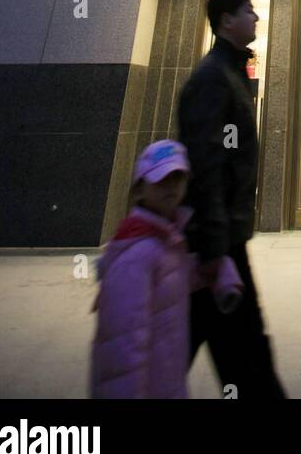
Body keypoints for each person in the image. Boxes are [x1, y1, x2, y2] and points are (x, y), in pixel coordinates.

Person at [179, 0, 286, 398]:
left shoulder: (229, 73)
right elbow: (206, 167)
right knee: (246, 349)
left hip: (220, 239)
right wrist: (214, 247)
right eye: (249, 11)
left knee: (227, 347)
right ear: (226, 20)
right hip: (218, 244)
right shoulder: (213, 79)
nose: (256, 18)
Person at [90, 139, 242, 399]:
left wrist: (220, 268)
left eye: (177, 179)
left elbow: (179, 275)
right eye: (161, 180)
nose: (170, 187)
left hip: (166, 381)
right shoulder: (135, 256)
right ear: (139, 188)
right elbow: (122, 348)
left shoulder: (166, 240)